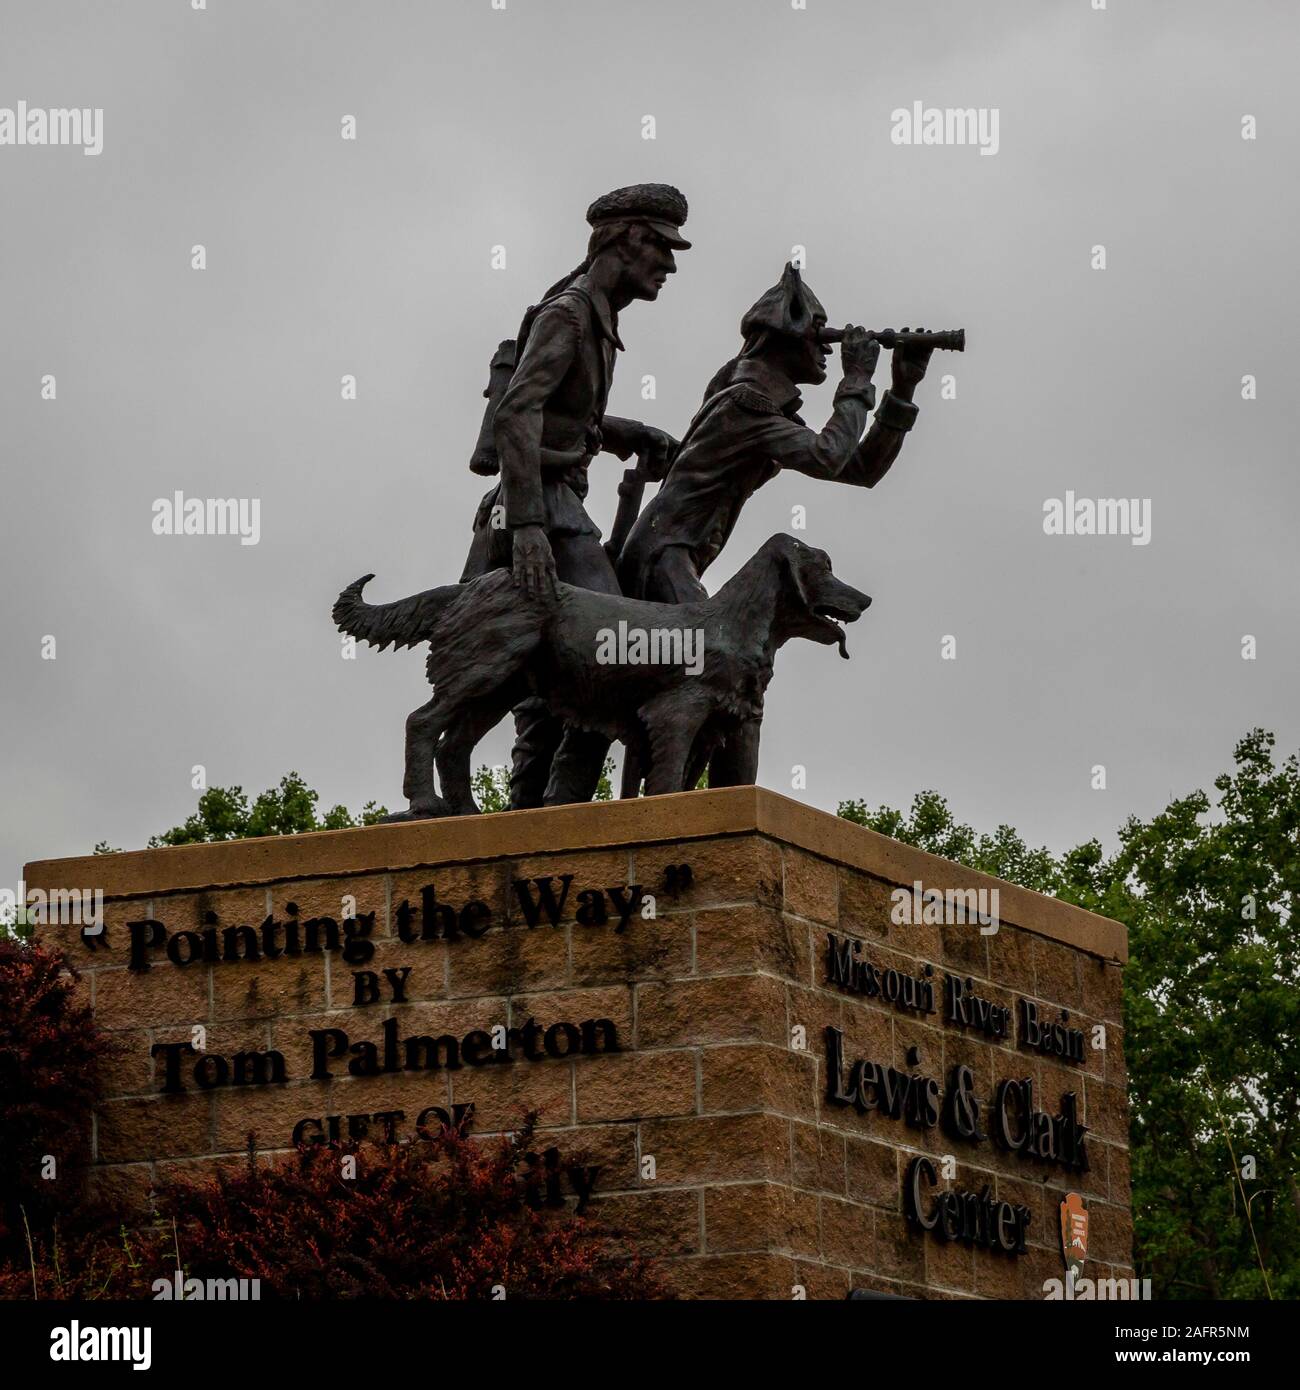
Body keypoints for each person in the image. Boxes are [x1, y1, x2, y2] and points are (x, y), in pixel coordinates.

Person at [616, 262, 934, 790]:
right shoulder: (746, 404)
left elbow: (858, 472)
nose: (827, 349)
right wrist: (857, 382)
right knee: (710, 673)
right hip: (662, 554)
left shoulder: (760, 405)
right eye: (818, 333)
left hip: (675, 554)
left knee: (707, 678)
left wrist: (901, 391)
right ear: (783, 338)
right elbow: (831, 455)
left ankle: (701, 808)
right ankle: (674, 813)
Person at [456, 184, 690, 810]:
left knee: (538, 671)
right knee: (614, 656)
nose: (669, 266)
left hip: (551, 506)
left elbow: (563, 416)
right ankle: (552, 817)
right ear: (625, 240)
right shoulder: (569, 313)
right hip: (542, 511)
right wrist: (531, 526)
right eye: (662, 249)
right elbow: (517, 414)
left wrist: (626, 433)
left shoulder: (598, 317)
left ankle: (532, 817)